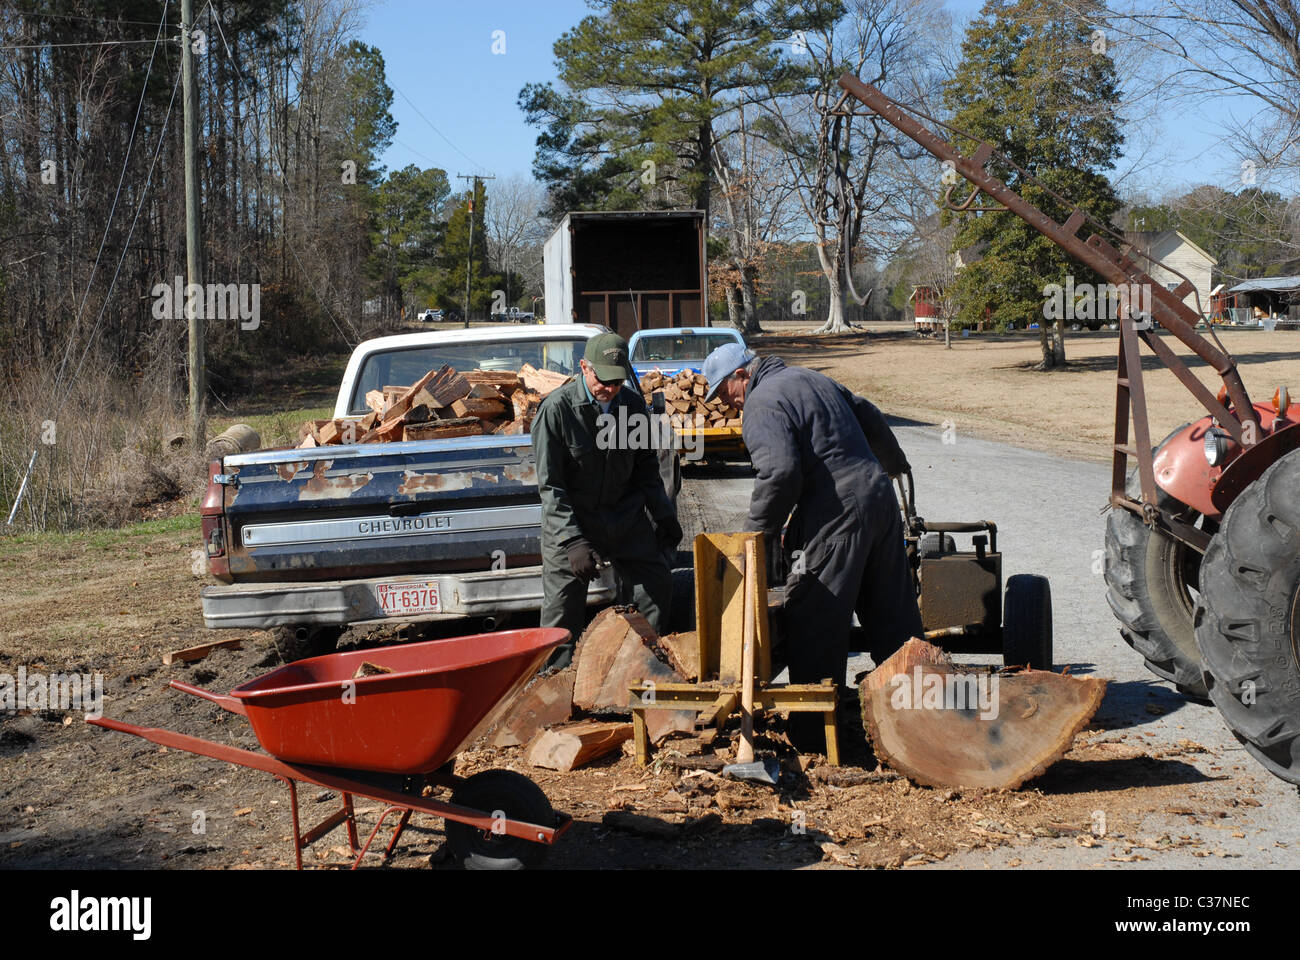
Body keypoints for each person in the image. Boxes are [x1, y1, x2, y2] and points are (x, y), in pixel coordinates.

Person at [701, 341, 923, 751]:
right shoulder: (812, 378)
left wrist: (757, 533)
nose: (727, 404)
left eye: (724, 393)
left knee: (815, 614)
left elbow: (781, 473)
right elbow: (870, 416)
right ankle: (917, 723)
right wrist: (893, 466)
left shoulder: (762, 403)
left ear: (742, 375)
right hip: (878, 498)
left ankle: (815, 736)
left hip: (837, 511)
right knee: (892, 614)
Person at [533, 332, 683, 668]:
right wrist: (572, 541)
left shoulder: (631, 406)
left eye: (617, 382)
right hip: (574, 522)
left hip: (623, 518)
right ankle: (554, 681)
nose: (610, 389)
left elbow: (646, 470)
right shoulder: (556, 411)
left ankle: (641, 667)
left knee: (657, 582)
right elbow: (552, 486)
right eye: (603, 381)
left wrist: (664, 517)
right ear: (584, 367)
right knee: (562, 607)